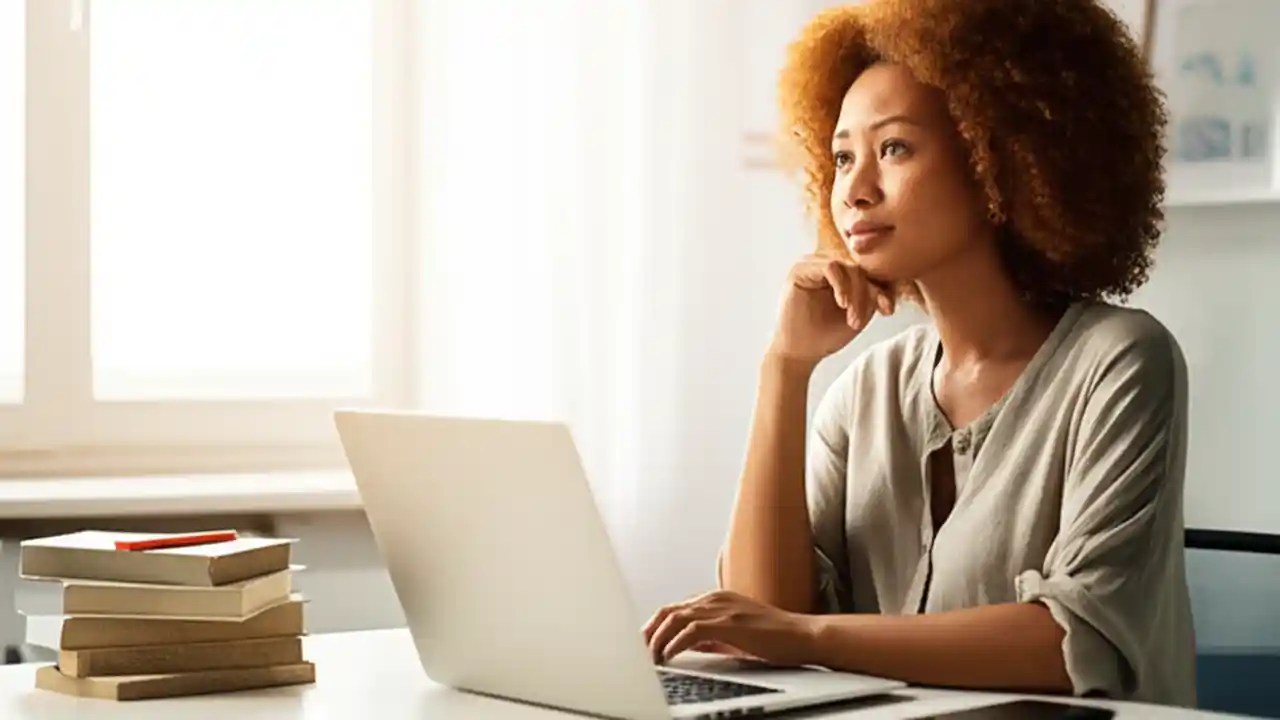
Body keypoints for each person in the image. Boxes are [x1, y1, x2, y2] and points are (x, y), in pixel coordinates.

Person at [641, 0, 1196, 707]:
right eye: (843, 156)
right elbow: (761, 614)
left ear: (1000, 154)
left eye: (894, 148)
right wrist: (785, 368)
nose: (856, 189)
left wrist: (809, 637)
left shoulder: (1122, 362)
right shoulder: (868, 387)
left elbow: (1068, 642)